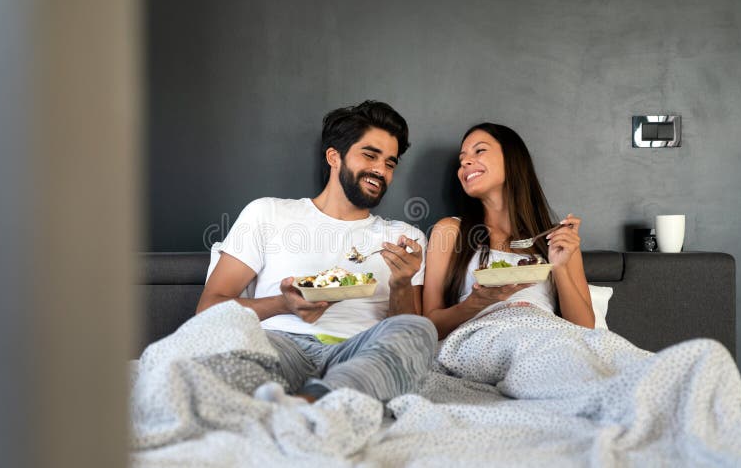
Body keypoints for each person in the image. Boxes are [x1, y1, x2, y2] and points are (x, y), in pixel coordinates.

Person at [197, 100, 437, 403]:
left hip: (360, 351)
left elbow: (406, 326)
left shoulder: (405, 238)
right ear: (334, 157)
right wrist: (284, 304)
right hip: (279, 342)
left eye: (390, 163)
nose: (381, 170)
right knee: (220, 359)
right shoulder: (267, 213)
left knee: (421, 332)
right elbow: (208, 310)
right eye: (370, 155)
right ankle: (314, 404)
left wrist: (402, 283)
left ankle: (312, 402)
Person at [423, 122, 594, 339]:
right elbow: (429, 327)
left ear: (512, 158)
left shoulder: (557, 239)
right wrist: (474, 304)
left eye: (480, 150)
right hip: (485, 340)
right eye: (461, 159)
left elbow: (585, 329)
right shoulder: (449, 231)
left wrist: (559, 267)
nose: (465, 162)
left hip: (548, 338)